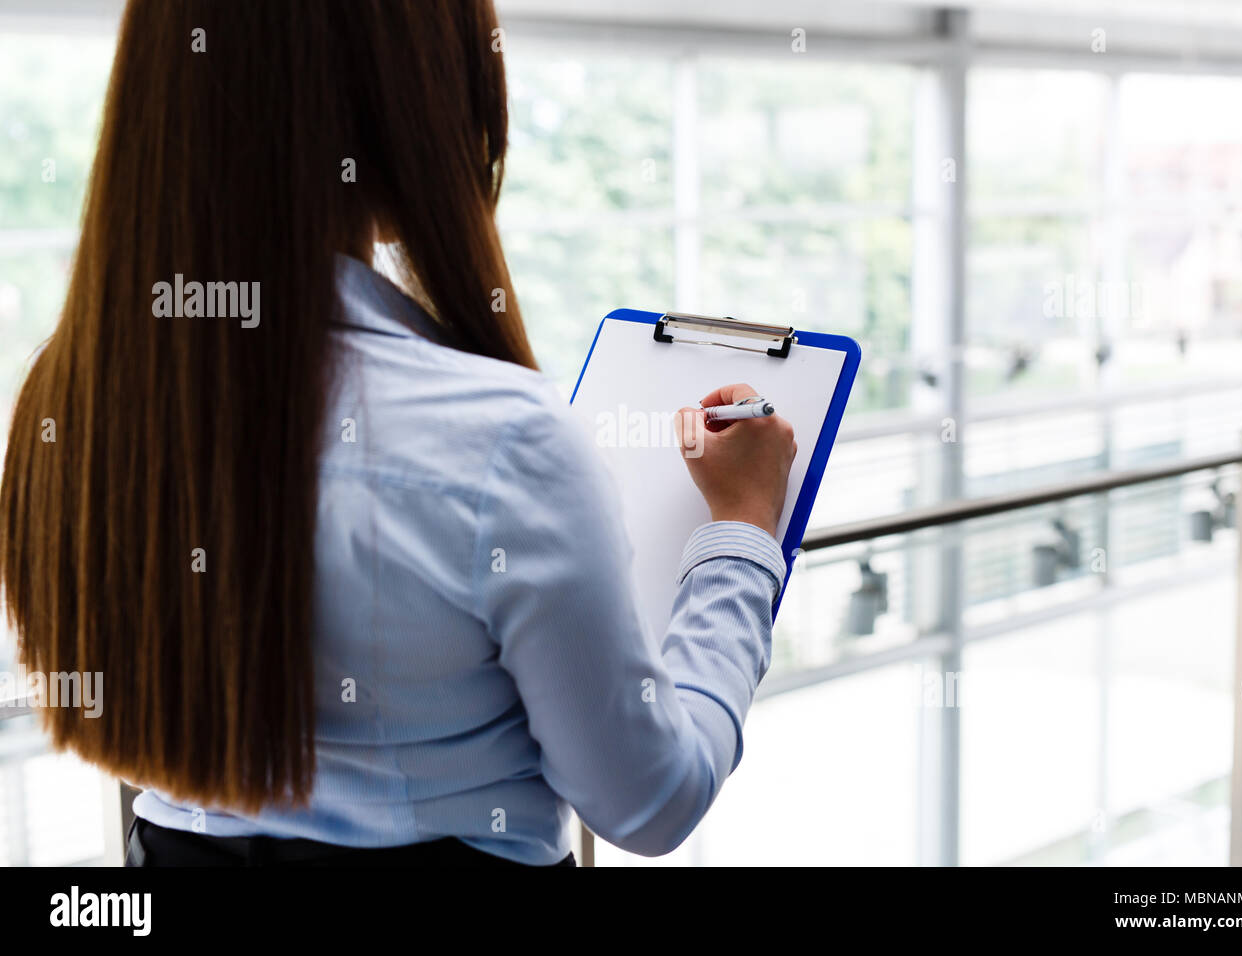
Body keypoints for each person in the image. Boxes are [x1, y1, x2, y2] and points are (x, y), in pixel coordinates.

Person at [0, 0, 795, 867]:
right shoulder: (502, 442)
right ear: (415, 104)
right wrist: (740, 535)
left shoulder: (66, 400)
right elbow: (650, 800)